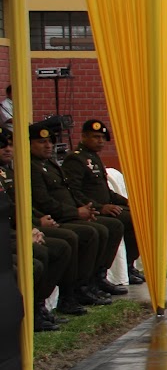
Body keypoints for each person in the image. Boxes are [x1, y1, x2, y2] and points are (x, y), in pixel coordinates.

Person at [27, 121, 124, 307]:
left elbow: (70, 192)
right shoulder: (32, 167)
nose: (48, 145)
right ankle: (72, 291)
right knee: (85, 233)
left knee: (107, 227)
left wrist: (85, 209)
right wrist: (76, 212)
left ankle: (93, 279)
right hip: (55, 217)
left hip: (68, 213)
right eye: (41, 142)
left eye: (50, 141)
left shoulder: (49, 164)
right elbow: (43, 201)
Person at [0, 126, 73, 330]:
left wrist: (33, 224)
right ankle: (29, 312)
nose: (7, 149)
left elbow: (20, 206)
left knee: (61, 246)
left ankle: (41, 305)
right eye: (2, 145)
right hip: (8, 233)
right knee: (36, 260)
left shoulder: (10, 172)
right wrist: (29, 228)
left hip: (18, 229)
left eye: (10, 144)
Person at [62, 119, 143, 285]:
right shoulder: (75, 160)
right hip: (93, 210)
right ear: (83, 136)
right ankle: (100, 274)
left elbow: (106, 191)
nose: (100, 141)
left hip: (107, 206)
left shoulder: (94, 158)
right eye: (95, 137)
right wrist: (100, 207)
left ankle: (128, 264)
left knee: (140, 216)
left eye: (102, 138)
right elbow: (74, 192)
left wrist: (128, 202)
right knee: (126, 222)